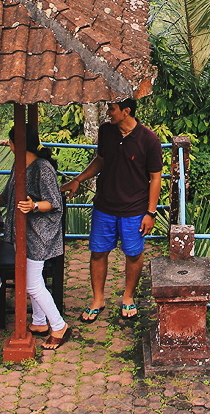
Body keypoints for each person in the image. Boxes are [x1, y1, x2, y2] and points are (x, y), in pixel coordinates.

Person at [61, 98, 162, 322]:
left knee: (133, 255)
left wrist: (151, 213)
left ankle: (128, 297)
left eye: (112, 109)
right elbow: (101, 160)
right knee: (98, 252)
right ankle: (98, 299)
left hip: (135, 209)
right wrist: (79, 179)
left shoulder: (149, 139)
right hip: (104, 205)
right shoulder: (106, 131)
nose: (108, 112)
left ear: (127, 111)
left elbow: (155, 179)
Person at [0, 128, 70, 348]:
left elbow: (54, 202)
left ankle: (58, 325)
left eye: (10, 143)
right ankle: (38, 322)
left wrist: (34, 205)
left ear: (15, 145)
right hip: (23, 232)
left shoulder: (42, 168)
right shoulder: (18, 167)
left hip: (40, 233)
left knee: (31, 283)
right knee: (31, 277)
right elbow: (7, 196)